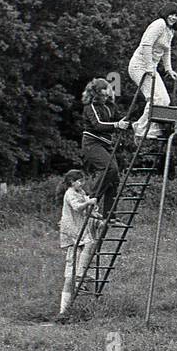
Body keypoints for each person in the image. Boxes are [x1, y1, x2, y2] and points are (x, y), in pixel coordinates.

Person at [126, 6, 177, 141]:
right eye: (171, 14)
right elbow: (146, 45)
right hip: (140, 66)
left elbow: (167, 50)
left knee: (165, 100)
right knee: (155, 99)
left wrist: (169, 69)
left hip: (151, 67)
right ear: (165, 14)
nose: (173, 18)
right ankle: (141, 128)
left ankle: (145, 126)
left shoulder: (170, 30)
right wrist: (149, 66)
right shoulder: (159, 24)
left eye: (176, 16)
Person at [79, 77, 127, 223]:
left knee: (114, 178)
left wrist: (134, 123)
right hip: (92, 143)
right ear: (96, 93)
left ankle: (109, 215)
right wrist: (117, 125)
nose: (106, 97)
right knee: (109, 168)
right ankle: (92, 200)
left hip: (105, 145)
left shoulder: (109, 106)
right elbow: (98, 125)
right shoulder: (90, 106)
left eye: (107, 95)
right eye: (103, 94)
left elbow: (120, 120)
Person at [55, 169, 98, 321]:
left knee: (90, 267)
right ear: (72, 182)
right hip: (72, 229)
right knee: (87, 246)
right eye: (79, 180)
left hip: (81, 228)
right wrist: (88, 202)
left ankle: (92, 309)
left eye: (83, 180)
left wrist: (94, 209)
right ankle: (64, 310)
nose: (82, 183)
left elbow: (87, 209)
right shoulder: (70, 193)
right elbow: (78, 207)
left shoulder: (80, 192)